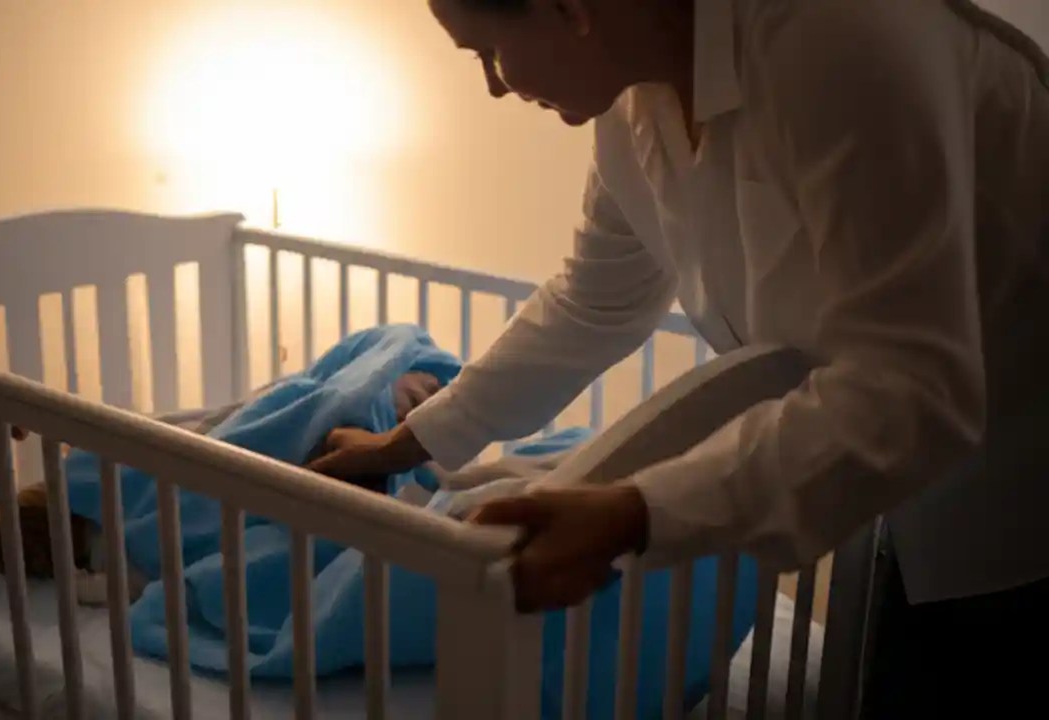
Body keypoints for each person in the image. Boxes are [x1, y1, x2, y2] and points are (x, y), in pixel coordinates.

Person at [307, 0, 1049, 715]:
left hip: (1017, 489)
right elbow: (590, 305)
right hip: (920, 490)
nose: (495, 84)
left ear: (569, 7)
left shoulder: (841, 33)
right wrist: (404, 445)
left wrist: (637, 513)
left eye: (488, 51)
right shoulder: (636, 112)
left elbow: (913, 387)